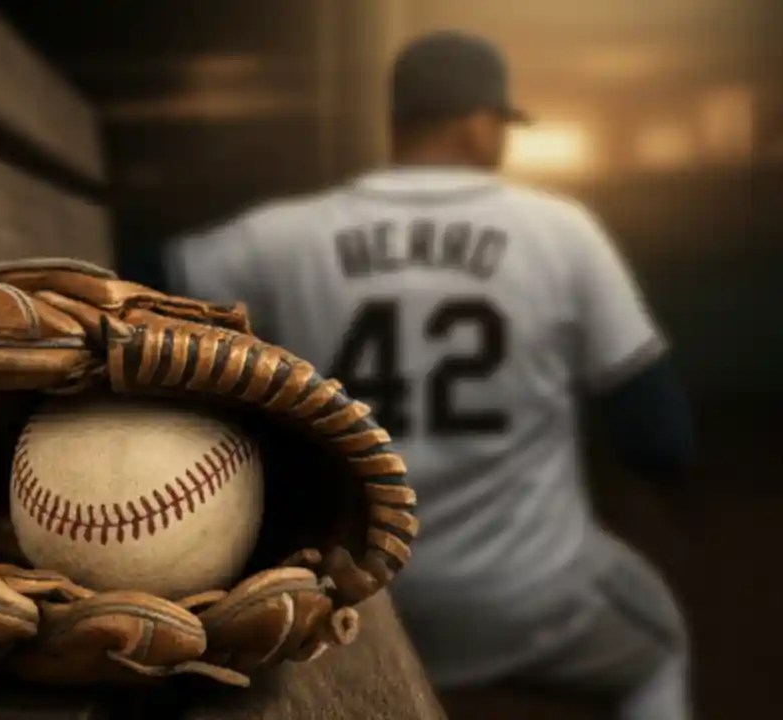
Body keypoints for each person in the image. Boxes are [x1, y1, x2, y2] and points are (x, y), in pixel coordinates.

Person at [162, 30, 694, 720]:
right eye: (501, 123)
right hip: (524, 599)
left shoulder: (284, 235)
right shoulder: (562, 233)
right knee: (660, 644)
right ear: (477, 124)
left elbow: (143, 276)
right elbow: (659, 439)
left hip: (347, 599)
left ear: (399, 122)